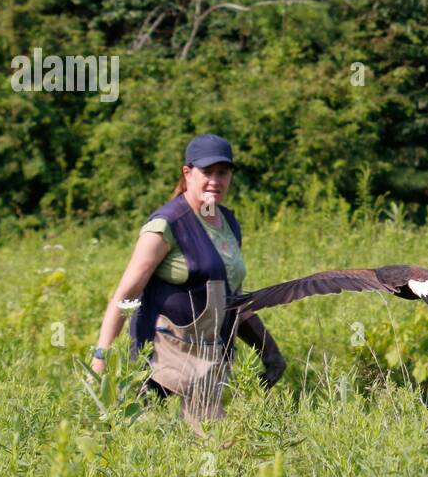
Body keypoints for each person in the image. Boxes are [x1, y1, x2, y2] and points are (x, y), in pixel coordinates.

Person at [90, 133, 286, 433]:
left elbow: (231, 299)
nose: (215, 181)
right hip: (160, 357)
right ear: (187, 172)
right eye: (207, 172)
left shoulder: (228, 223)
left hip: (209, 356)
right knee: (146, 444)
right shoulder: (167, 224)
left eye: (223, 173)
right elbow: (125, 294)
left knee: (209, 446)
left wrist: (268, 350)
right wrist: (101, 355)